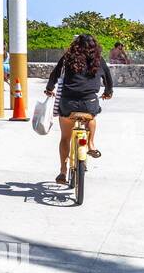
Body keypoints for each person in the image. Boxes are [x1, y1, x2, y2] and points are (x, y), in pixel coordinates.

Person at [45, 34, 114, 185]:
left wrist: (49, 89)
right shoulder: (98, 60)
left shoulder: (67, 58)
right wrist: (108, 93)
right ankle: (90, 144)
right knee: (92, 117)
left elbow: (54, 75)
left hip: (68, 103)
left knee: (65, 137)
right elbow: (108, 78)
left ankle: (63, 171)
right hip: (88, 103)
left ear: (75, 45)